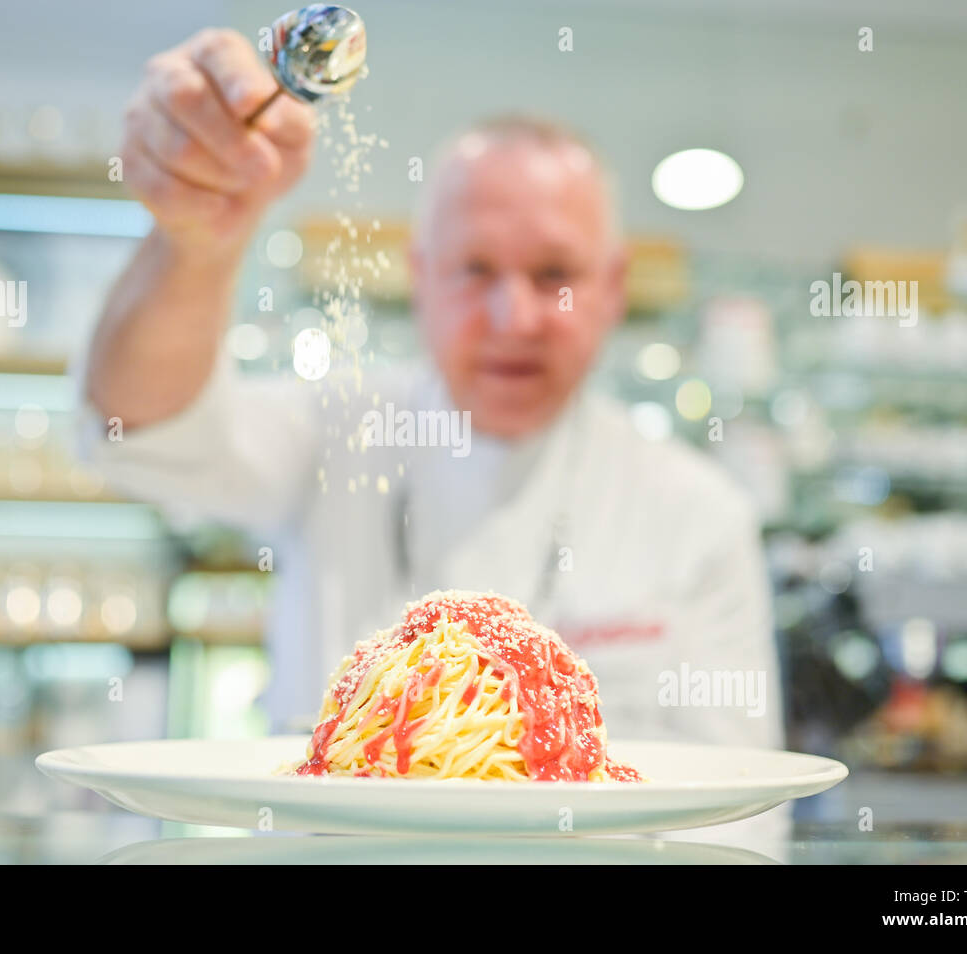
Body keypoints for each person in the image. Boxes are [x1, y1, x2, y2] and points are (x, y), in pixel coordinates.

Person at [79, 28, 784, 770]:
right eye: (475, 271)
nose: (515, 319)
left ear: (611, 288)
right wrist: (193, 242)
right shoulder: (334, 431)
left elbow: (737, 805)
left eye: (553, 275)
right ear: (420, 278)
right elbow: (143, 431)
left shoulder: (699, 514)